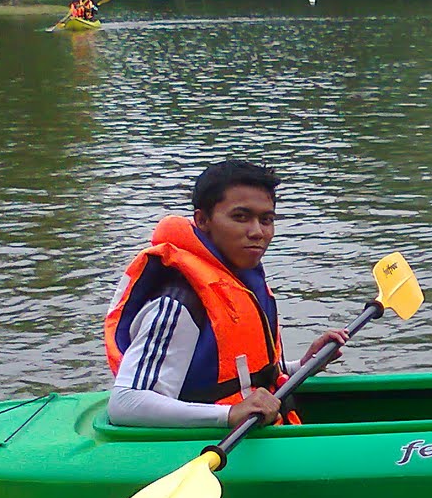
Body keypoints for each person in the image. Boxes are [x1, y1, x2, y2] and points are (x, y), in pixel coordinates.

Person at [104, 159, 348, 428]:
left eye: (266, 220)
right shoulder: (178, 303)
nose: (257, 232)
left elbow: (245, 379)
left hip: (265, 436)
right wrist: (229, 415)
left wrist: (301, 365)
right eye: (240, 217)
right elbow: (124, 403)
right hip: (208, 448)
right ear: (203, 220)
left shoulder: (243, 282)